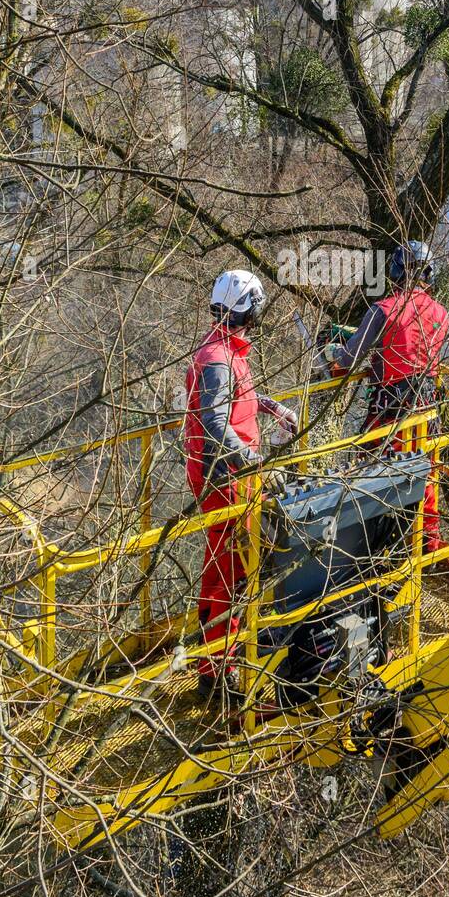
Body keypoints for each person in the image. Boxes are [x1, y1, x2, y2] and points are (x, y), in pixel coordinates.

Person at [184, 269, 297, 701]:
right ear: (251, 311)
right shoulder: (217, 359)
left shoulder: (224, 351)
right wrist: (255, 461)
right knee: (232, 572)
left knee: (219, 566)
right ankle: (217, 672)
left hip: (224, 475)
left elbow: (234, 399)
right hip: (227, 479)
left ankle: (210, 658)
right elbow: (214, 424)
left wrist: (269, 407)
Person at [327, 242, 449, 554]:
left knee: (371, 475)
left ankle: (370, 550)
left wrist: (333, 353)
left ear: (395, 271)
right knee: (426, 472)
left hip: (390, 411)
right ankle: (429, 544)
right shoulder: (442, 315)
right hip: (427, 411)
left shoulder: (383, 310)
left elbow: (350, 358)